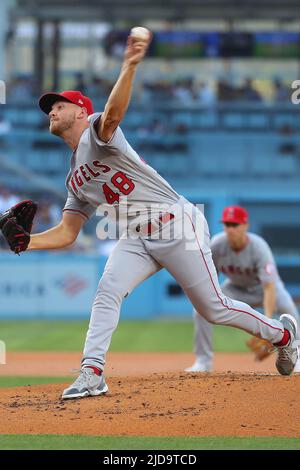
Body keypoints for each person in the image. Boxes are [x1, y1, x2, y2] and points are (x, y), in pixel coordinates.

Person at [13, 30, 298, 400]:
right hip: (136, 236)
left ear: (81, 111)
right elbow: (67, 232)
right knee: (106, 292)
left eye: (59, 105)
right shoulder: (74, 179)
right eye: (49, 107)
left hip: (175, 222)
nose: (51, 110)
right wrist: (27, 243)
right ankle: (92, 372)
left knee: (215, 309)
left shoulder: (97, 132)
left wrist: (129, 64)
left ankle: (284, 335)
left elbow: (114, 113)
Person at [186, 205, 300, 373]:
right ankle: (203, 361)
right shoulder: (217, 244)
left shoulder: (259, 247)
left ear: (245, 226)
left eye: (235, 225)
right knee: (200, 309)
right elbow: (210, 277)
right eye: (227, 225)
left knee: (288, 308)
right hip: (236, 288)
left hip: (263, 289)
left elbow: (269, 287)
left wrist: (268, 327)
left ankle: (296, 355)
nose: (230, 229)